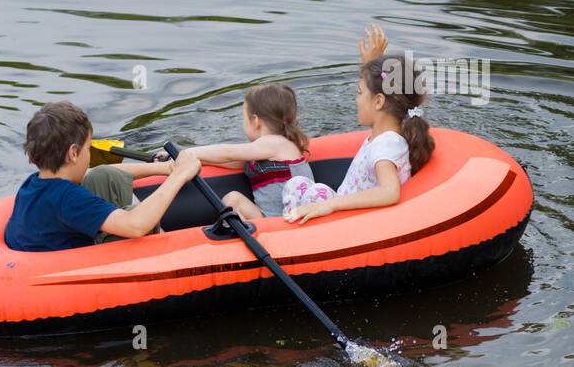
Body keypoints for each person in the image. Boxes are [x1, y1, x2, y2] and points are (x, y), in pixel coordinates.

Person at [282, 25, 435, 224]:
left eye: (359, 93)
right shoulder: (388, 133)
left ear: (379, 101)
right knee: (297, 184)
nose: (356, 99)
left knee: (315, 192)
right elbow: (379, 89)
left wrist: (330, 204)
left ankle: (285, 230)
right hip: (344, 210)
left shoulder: (386, 144)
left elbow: (390, 192)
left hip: (346, 222)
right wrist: (371, 64)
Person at [4, 101, 200, 251]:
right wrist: (180, 175)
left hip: (50, 251)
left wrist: (165, 168)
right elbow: (136, 225)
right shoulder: (69, 198)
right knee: (134, 212)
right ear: (73, 153)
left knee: (103, 174)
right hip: (72, 271)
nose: (89, 155)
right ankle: (173, 253)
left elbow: (97, 172)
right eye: (88, 148)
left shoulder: (33, 183)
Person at [157, 81, 312, 222]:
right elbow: (234, 162)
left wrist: (184, 152)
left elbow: (227, 152)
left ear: (256, 121)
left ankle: (238, 238)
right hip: (272, 218)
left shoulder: (274, 143)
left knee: (232, 200)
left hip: (284, 221)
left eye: (243, 117)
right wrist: (185, 160)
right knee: (233, 199)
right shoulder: (274, 147)